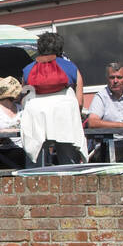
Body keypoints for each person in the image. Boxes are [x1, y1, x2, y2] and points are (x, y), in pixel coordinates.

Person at [19, 32, 87, 166]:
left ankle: (35, 182)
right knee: (69, 161)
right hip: (64, 113)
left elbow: (23, 98)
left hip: (36, 115)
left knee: (36, 161)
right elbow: (79, 101)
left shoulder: (28, 69)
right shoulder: (71, 67)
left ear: (39, 49)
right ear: (60, 49)